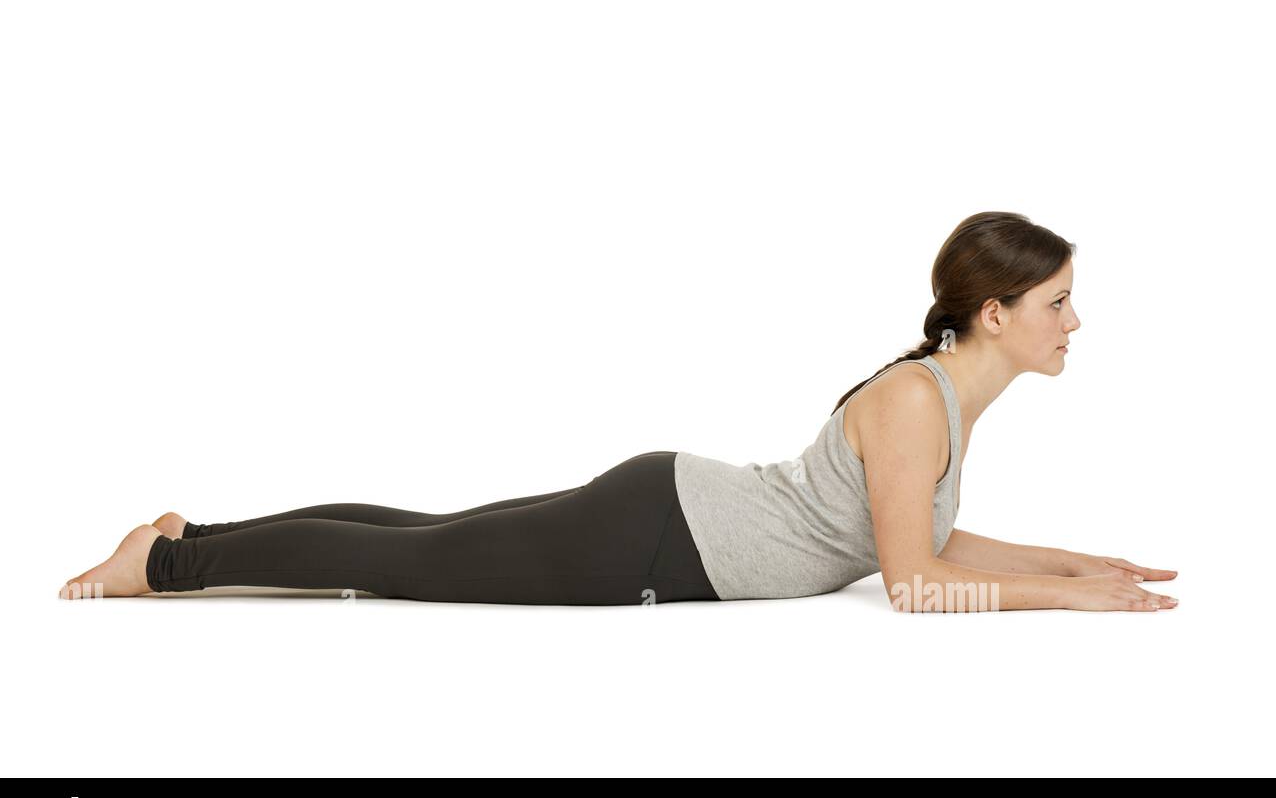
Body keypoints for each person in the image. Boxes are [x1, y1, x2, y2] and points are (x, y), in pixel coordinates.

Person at [58, 211, 1178, 612]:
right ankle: (157, 569)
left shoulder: (940, 396)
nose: (1073, 322)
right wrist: (1065, 602)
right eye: (1057, 302)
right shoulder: (913, 403)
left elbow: (918, 539)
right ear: (991, 313)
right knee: (408, 561)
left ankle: (184, 539)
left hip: (669, 508)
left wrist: (1082, 561)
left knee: (418, 531)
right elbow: (913, 582)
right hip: (657, 537)